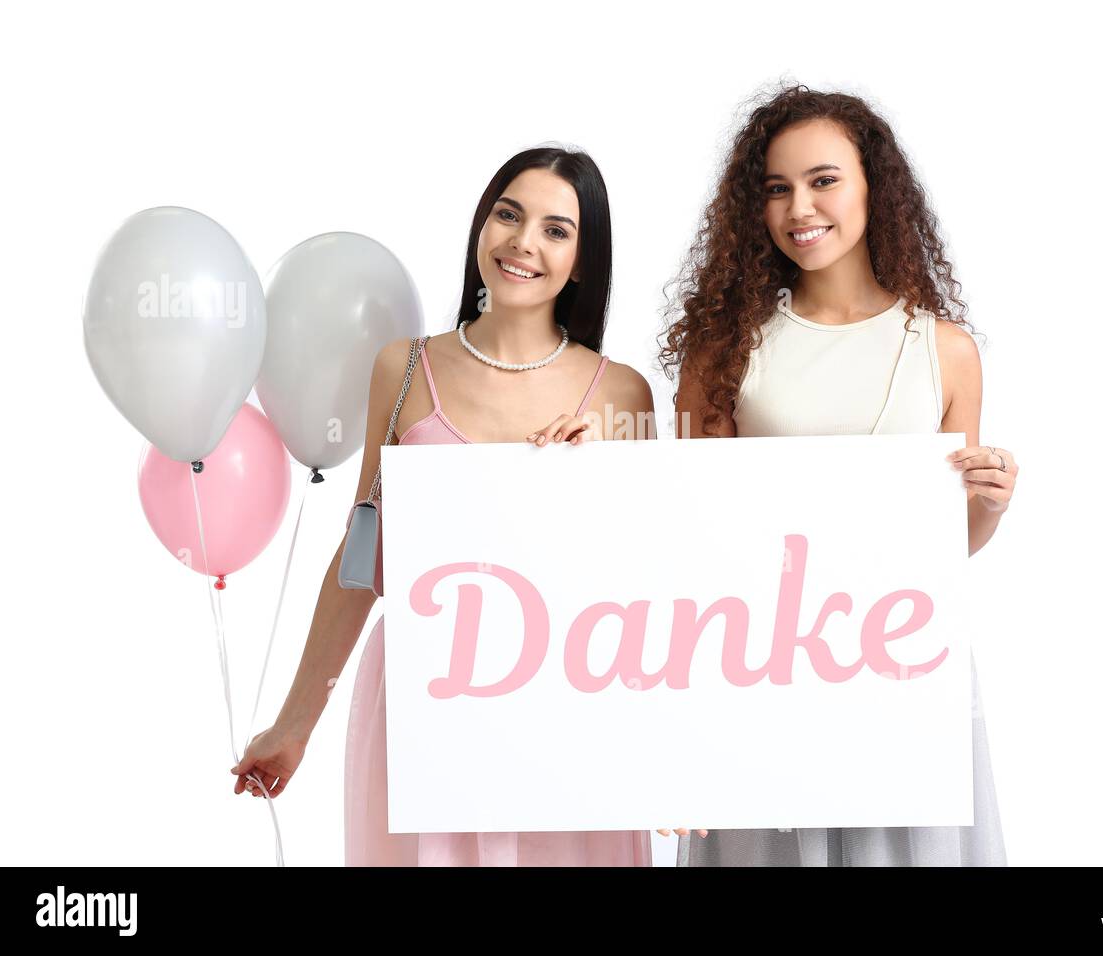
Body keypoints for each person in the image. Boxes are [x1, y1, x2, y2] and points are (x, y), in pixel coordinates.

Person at [231, 145, 657, 866]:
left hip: (567, 711)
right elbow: (364, 558)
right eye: (508, 215)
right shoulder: (404, 370)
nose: (523, 242)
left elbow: (652, 587)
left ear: (583, 260)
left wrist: (603, 478)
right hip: (421, 702)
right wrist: (294, 724)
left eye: (556, 229)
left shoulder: (621, 395)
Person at [657, 85, 1020, 866]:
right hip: (762, 676)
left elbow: (945, 545)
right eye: (776, 188)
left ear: (871, 187)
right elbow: (690, 537)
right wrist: (685, 730)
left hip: (901, 674)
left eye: (823, 180)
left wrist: (987, 506)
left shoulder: (944, 348)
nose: (799, 207)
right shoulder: (727, 347)